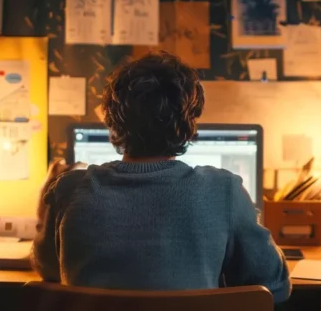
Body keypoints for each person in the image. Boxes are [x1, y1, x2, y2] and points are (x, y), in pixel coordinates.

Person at [31, 52, 291, 303]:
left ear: (111, 120)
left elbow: (49, 272)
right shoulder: (224, 189)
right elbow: (274, 285)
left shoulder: (69, 189)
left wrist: (47, 207)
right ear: (190, 123)